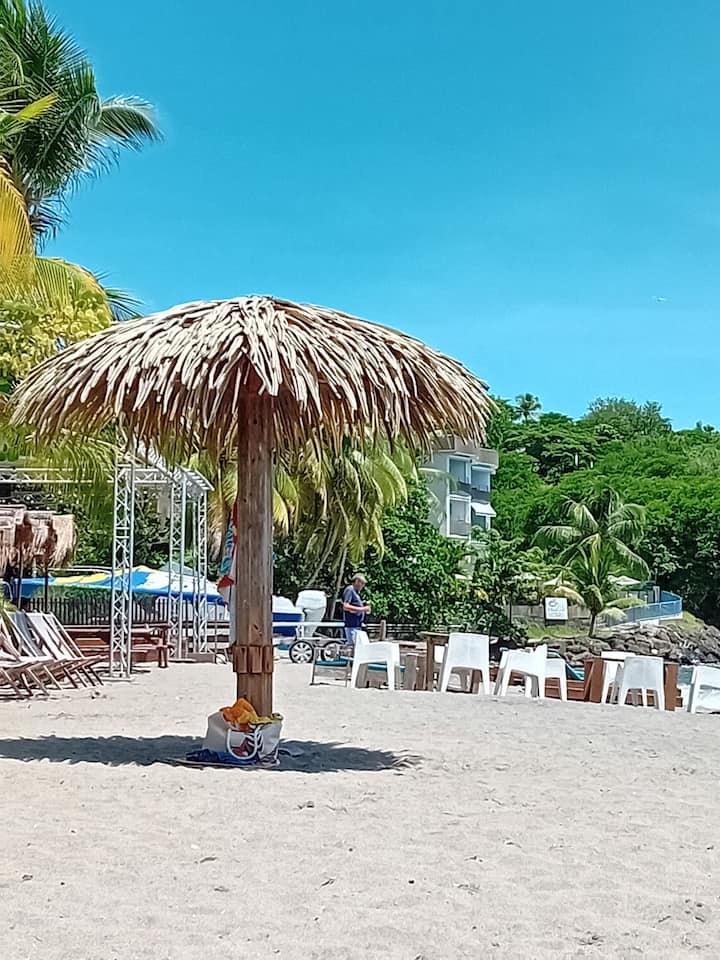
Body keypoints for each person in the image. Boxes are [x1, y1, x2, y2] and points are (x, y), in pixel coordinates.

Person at [342, 574, 370, 645]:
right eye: (362, 583)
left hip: (357, 625)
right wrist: (363, 609)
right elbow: (346, 606)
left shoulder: (356, 592)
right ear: (357, 581)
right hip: (351, 625)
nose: (363, 586)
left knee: (357, 647)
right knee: (353, 647)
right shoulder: (350, 590)